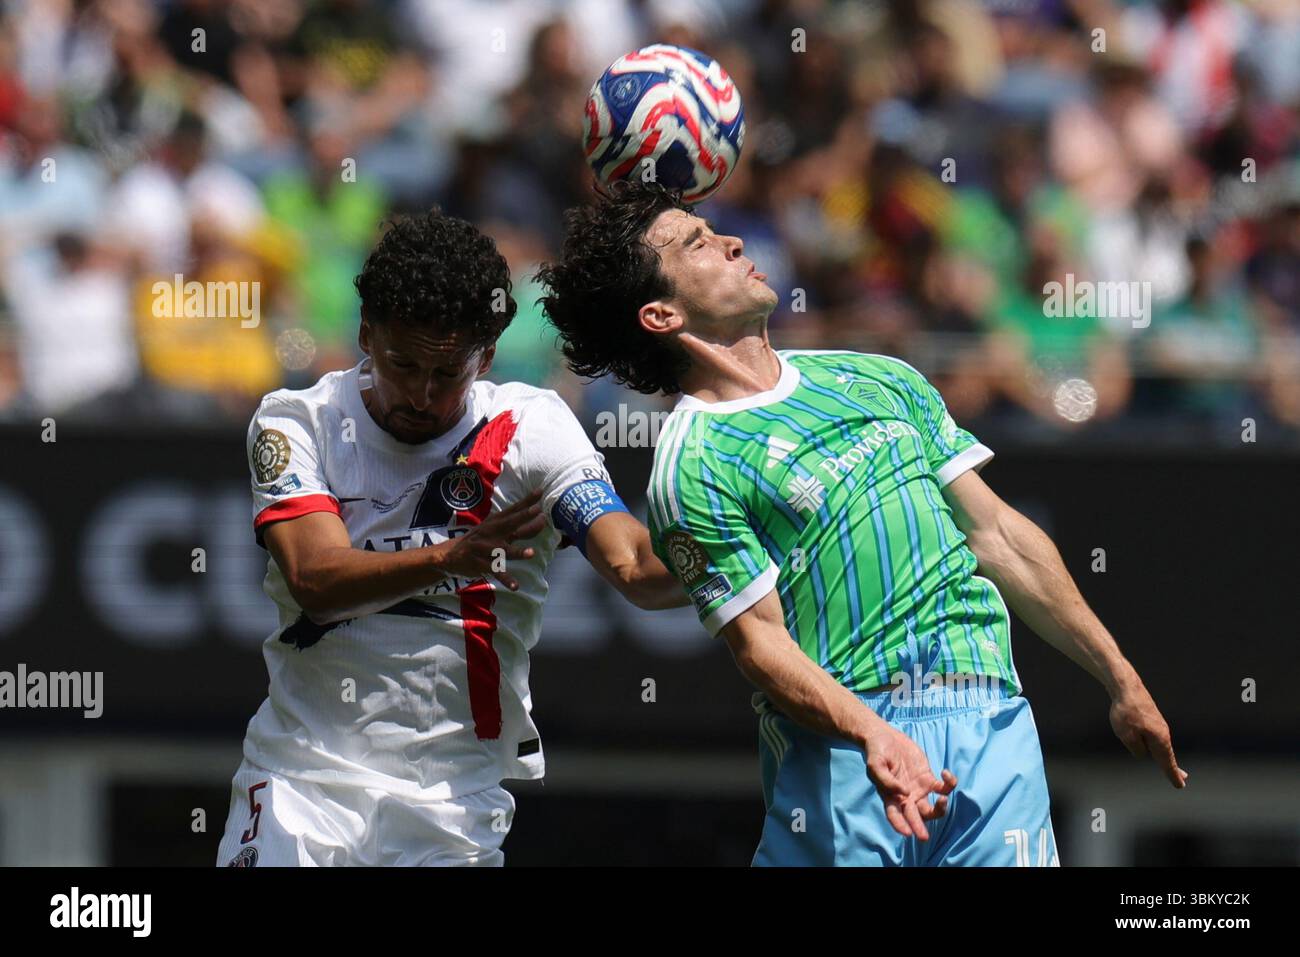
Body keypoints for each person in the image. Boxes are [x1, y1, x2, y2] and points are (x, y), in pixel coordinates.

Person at [537, 182, 1188, 866]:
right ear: (662, 313)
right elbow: (761, 646)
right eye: (697, 243)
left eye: (716, 230)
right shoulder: (694, 462)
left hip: (991, 724)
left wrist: (1119, 673)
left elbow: (998, 533)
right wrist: (871, 733)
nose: (732, 242)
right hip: (848, 758)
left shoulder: (877, 376)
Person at [216, 208, 684, 867]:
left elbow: (635, 564)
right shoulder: (297, 423)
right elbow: (316, 580)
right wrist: (453, 558)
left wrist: (741, 548)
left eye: (448, 372)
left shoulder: (532, 429)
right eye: (402, 364)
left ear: (486, 357)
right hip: (301, 780)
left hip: (451, 804)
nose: (422, 393)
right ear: (365, 335)